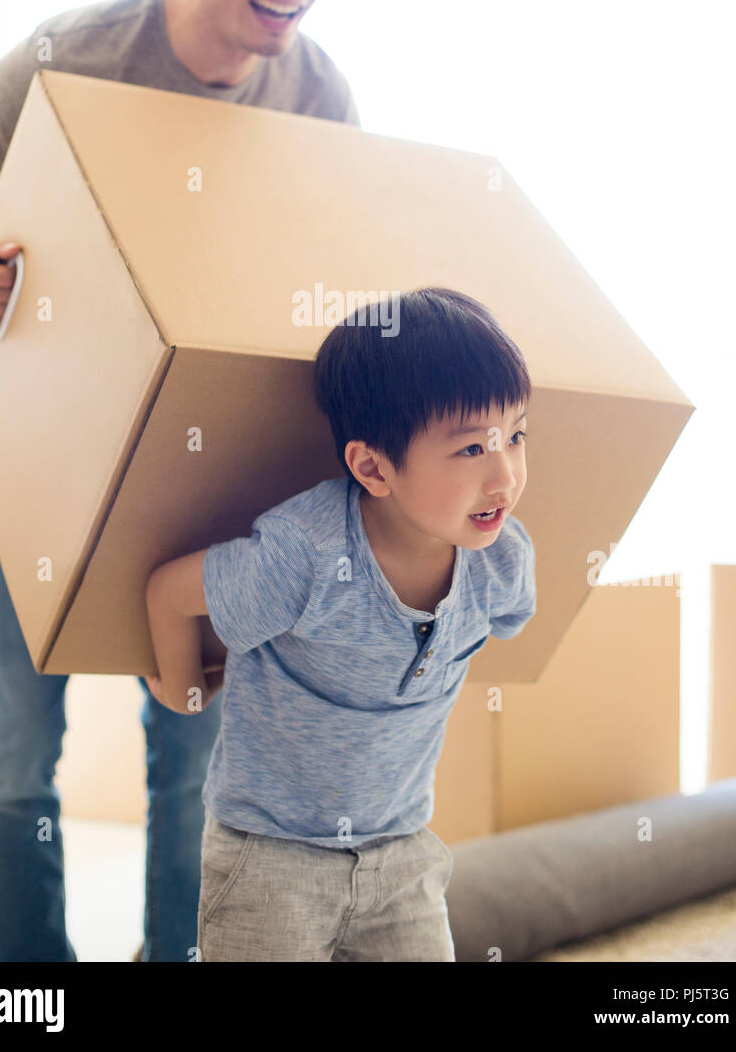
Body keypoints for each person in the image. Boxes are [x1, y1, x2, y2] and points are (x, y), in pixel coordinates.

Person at [0, 0, 360, 962]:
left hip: (205, 460)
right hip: (30, 459)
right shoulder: (69, 52)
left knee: (198, 752)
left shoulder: (318, 97)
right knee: (15, 755)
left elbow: (334, 280)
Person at [145, 286, 537, 962]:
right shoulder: (309, 554)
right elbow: (168, 591)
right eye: (472, 449)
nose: (504, 475)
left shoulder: (502, 560)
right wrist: (182, 688)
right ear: (372, 467)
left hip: (403, 850)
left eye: (516, 435)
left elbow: (494, 631)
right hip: (271, 859)